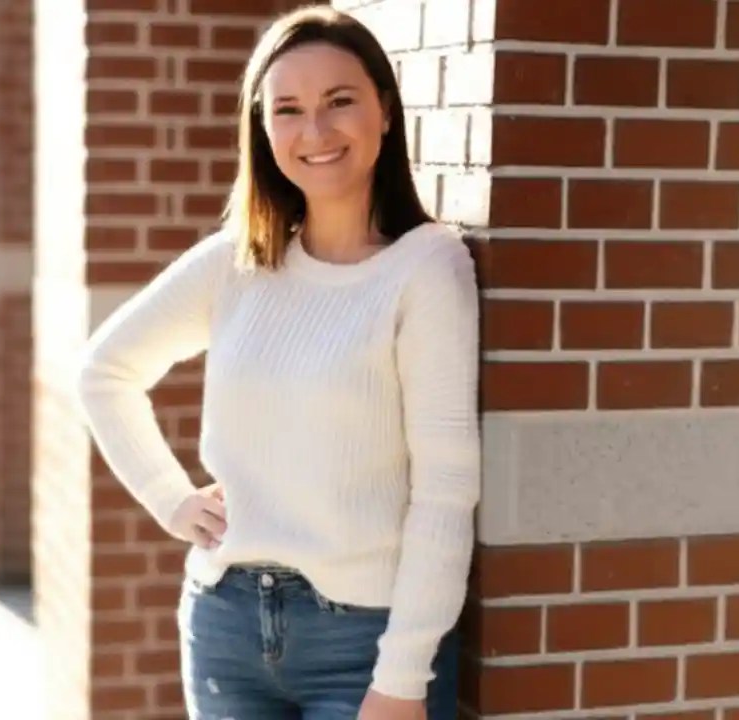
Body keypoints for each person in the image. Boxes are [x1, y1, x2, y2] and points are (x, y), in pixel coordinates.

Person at [76, 5, 480, 719]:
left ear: (384, 111)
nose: (315, 131)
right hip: (224, 626)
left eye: (340, 101)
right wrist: (169, 498)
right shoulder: (239, 263)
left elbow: (445, 492)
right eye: (287, 109)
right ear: (262, 130)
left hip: (364, 641)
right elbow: (104, 371)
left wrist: (404, 675)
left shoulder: (426, 267)